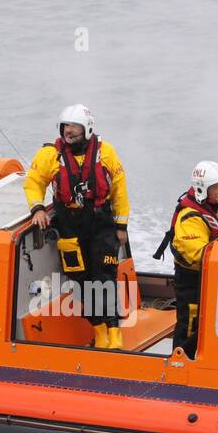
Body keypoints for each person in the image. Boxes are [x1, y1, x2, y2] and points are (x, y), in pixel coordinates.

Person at [24, 104, 130, 350]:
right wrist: (38, 208)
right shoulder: (49, 155)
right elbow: (33, 183)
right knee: (81, 279)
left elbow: (119, 189)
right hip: (70, 227)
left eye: (74, 126)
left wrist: (121, 225)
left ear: (87, 129)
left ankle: (114, 331)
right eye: (65, 126)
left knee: (104, 277)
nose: (68, 131)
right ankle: (99, 330)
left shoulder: (106, 152)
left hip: (101, 225)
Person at [157, 160, 218, 358]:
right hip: (194, 279)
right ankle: (180, 361)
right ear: (203, 189)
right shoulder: (190, 217)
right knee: (191, 324)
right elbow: (198, 255)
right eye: (217, 186)